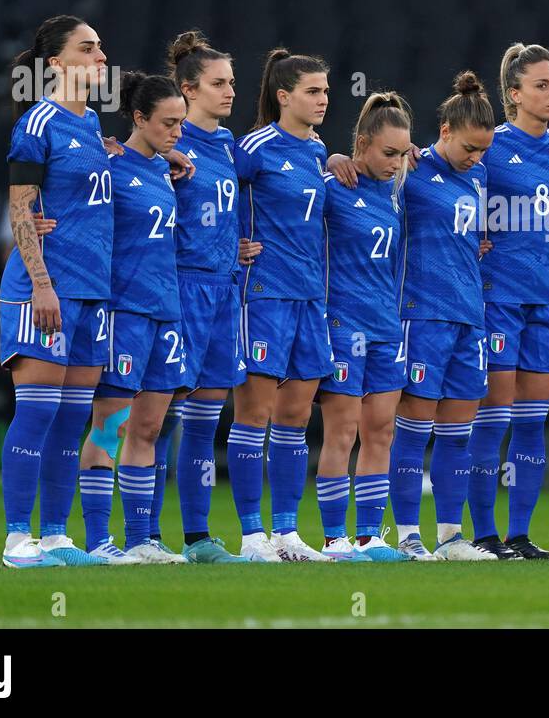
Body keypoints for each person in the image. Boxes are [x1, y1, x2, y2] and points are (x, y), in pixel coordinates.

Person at [0, 14, 114, 568]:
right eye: (87, 49)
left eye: (100, 48)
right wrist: (42, 285)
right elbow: (21, 209)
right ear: (57, 63)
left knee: (72, 420)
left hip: (91, 293)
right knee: (37, 413)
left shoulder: (91, 125)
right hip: (44, 291)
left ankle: (57, 535)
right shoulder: (38, 122)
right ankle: (19, 539)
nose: (100, 58)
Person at [76, 72, 189, 564]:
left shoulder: (166, 169)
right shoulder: (110, 165)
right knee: (109, 427)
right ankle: (99, 540)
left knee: (149, 431)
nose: (177, 133)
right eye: (168, 123)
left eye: (182, 124)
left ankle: (141, 539)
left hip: (166, 311)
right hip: (124, 311)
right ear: (139, 118)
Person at [465, 43, 549, 560]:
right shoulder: (488, 144)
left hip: (544, 304)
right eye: (542, 85)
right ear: (514, 94)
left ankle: (520, 535)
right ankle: (484, 535)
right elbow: (439, 176)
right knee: (494, 419)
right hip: (497, 300)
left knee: (532, 421)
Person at [389, 72, 499, 561]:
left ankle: (451, 537)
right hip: (421, 314)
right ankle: (407, 534)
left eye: (483, 151)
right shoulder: (409, 169)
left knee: (458, 434)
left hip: (468, 317)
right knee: (413, 428)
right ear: (447, 130)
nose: (477, 158)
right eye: (471, 147)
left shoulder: (477, 176)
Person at [231, 50, 334, 563]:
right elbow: (209, 193)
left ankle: (287, 533)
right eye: (313, 91)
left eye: (326, 91)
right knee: (254, 413)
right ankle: (252, 536)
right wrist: (235, 243)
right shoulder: (253, 148)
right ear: (284, 96)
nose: (323, 100)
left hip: (310, 298)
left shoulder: (318, 153)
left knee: (295, 416)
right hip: (264, 295)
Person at [158, 30, 251, 564]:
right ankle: (144, 534)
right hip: (180, 291)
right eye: (219, 83)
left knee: (204, 420)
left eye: (233, 82)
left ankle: (197, 537)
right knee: (158, 419)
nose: (230, 91)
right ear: (189, 89)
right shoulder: (169, 145)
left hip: (224, 294)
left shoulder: (229, 146)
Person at [315, 92, 414, 561]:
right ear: (361, 144)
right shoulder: (332, 187)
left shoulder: (395, 196)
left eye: (402, 153)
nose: (396, 163)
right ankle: (334, 538)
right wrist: (329, 157)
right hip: (341, 324)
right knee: (342, 432)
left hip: (386, 328)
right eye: (387, 153)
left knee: (381, 432)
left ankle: (369, 535)